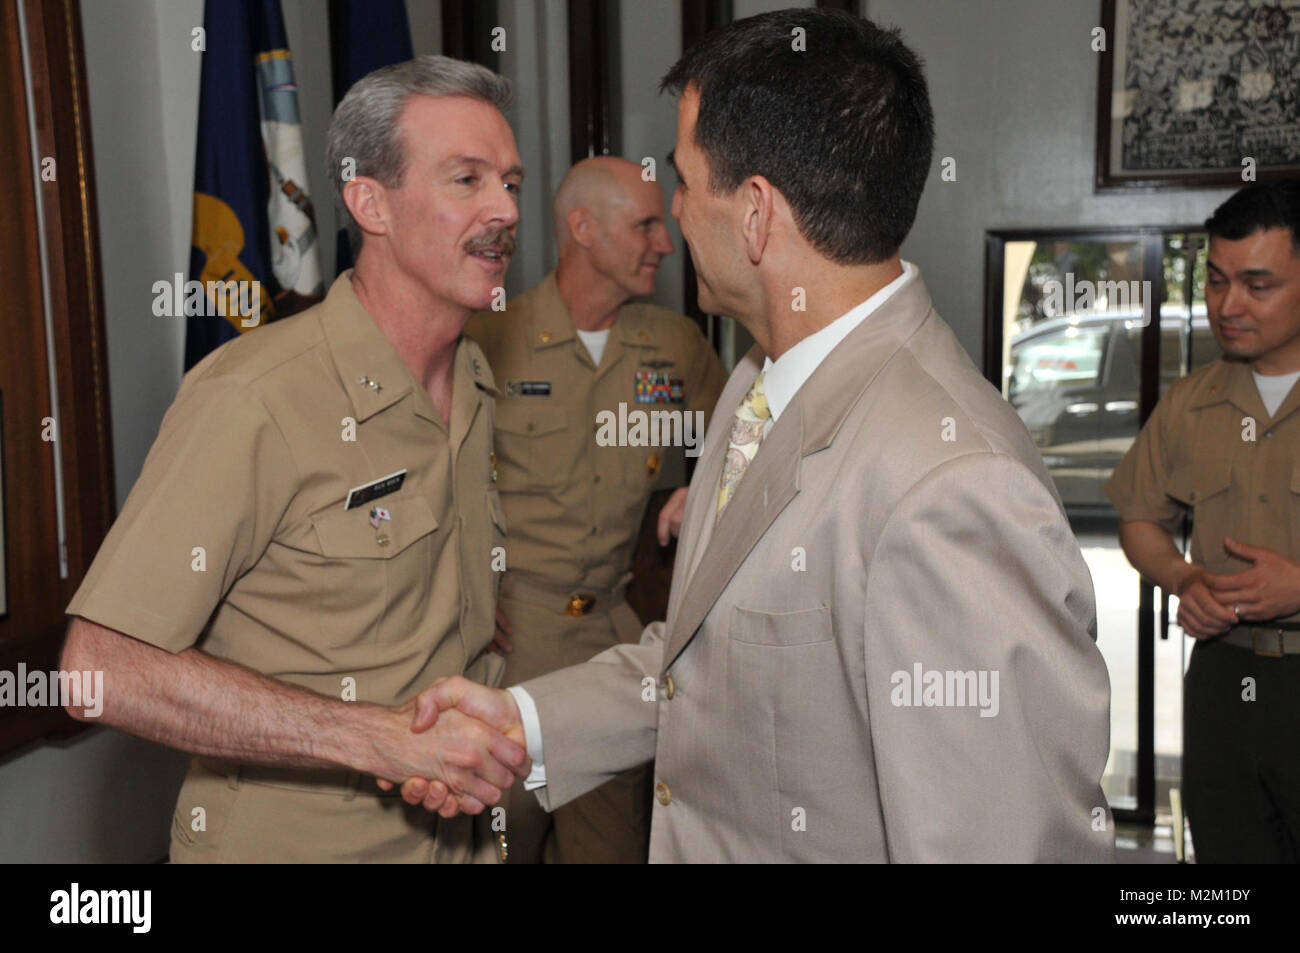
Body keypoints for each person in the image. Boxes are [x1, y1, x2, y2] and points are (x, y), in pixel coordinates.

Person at [397, 9, 1113, 863]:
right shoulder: (756, 382)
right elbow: (705, 662)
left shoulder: (951, 484)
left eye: (687, 181)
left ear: (756, 215)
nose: (674, 209)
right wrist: (525, 717)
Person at [58, 55, 532, 863]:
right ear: (369, 201)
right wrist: (379, 739)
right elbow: (100, 670)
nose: (504, 211)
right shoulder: (259, 397)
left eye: (512, 184)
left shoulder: (479, 380)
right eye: (467, 180)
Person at [462, 157, 727, 863]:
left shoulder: (671, 346)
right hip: (512, 643)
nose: (664, 243)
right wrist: (458, 592)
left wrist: (704, 486)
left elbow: (751, 429)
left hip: (613, 640)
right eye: (644, 225)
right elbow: (424, 480)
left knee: (610, 848)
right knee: (497, 844)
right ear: (583, 228)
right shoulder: (490, 340)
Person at [1106, 179, 1300, 863]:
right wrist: (1185, 579)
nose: (1227, 305)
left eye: (1257, 284)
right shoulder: (1194, 400)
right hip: (1223, 682)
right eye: (1215, 280)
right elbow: (1139, 516)